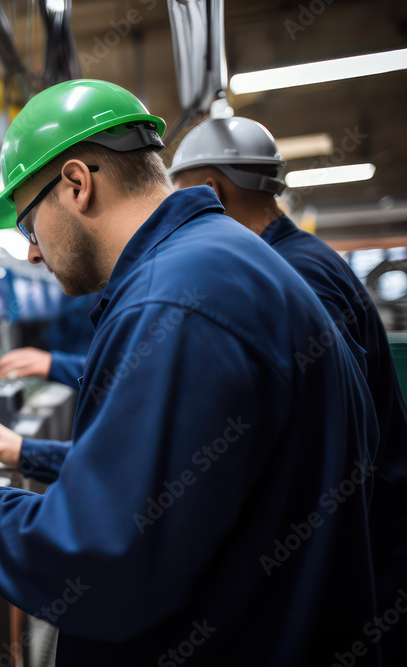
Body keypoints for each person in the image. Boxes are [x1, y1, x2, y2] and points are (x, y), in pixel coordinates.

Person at [0, 79, 385, 665]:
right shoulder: (222, 259)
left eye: (30, 226)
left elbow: (91, 562)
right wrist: (31, 455)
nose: (32, 252)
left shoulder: (172, 301)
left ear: (77, 184)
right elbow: (184, 477)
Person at [168, 116, 407, 662]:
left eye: (179, 201)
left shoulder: (292, 273)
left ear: (210, 191)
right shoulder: (294, 259)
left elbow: (309, 427)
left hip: (364, 551)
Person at [0, 292, 100, 386]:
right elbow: (59, 333)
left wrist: (53, 365)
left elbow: (111, 371)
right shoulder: (74, 293)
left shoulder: (109, 296)